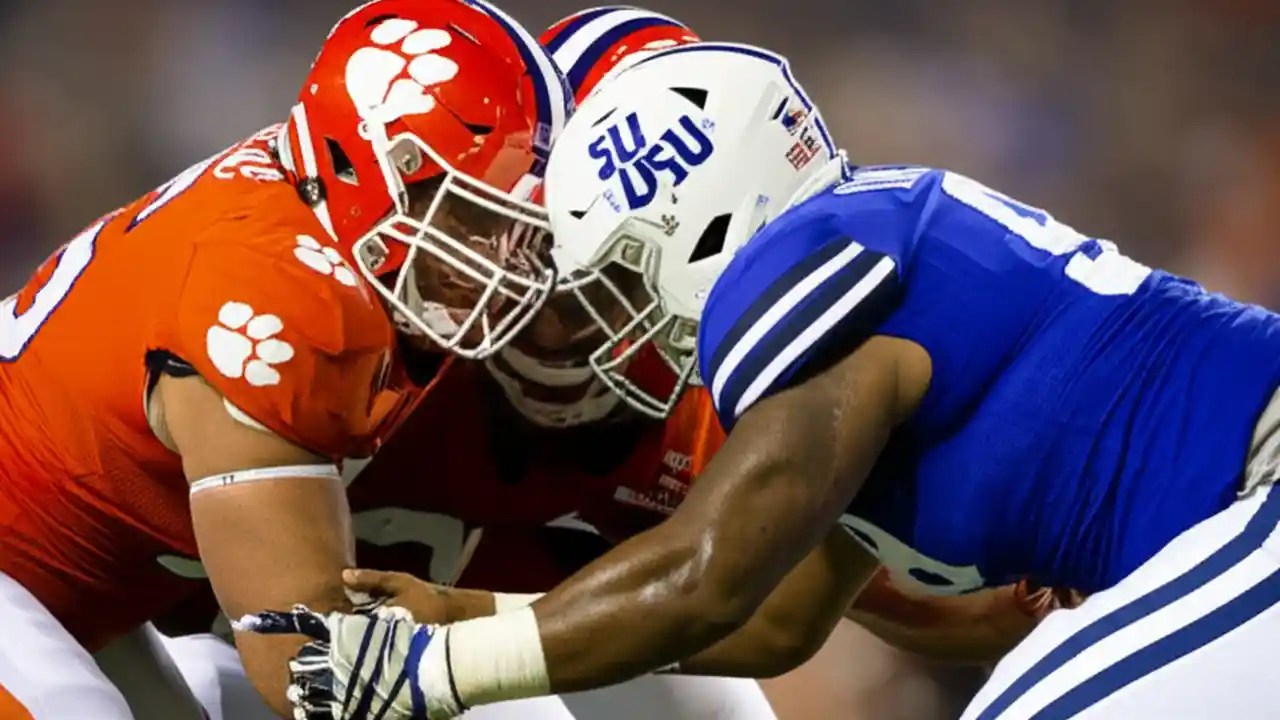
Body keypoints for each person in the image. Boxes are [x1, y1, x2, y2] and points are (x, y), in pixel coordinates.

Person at [247, 40, 1280, 720]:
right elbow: (772, 622)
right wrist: (462, 614)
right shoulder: (872, 254)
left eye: (617, 273)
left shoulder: (798, 261)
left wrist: (437, 678)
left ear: (694, 220)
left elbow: (703, 579)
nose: (620, 318)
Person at [0, 0, 569, 716]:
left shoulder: (319, 214)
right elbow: (313, 668)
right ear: (367, 165)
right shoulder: (279, 296)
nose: (498, 261)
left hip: (62, 593)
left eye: (518, 229)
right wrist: (559, 640)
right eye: (474, 217)